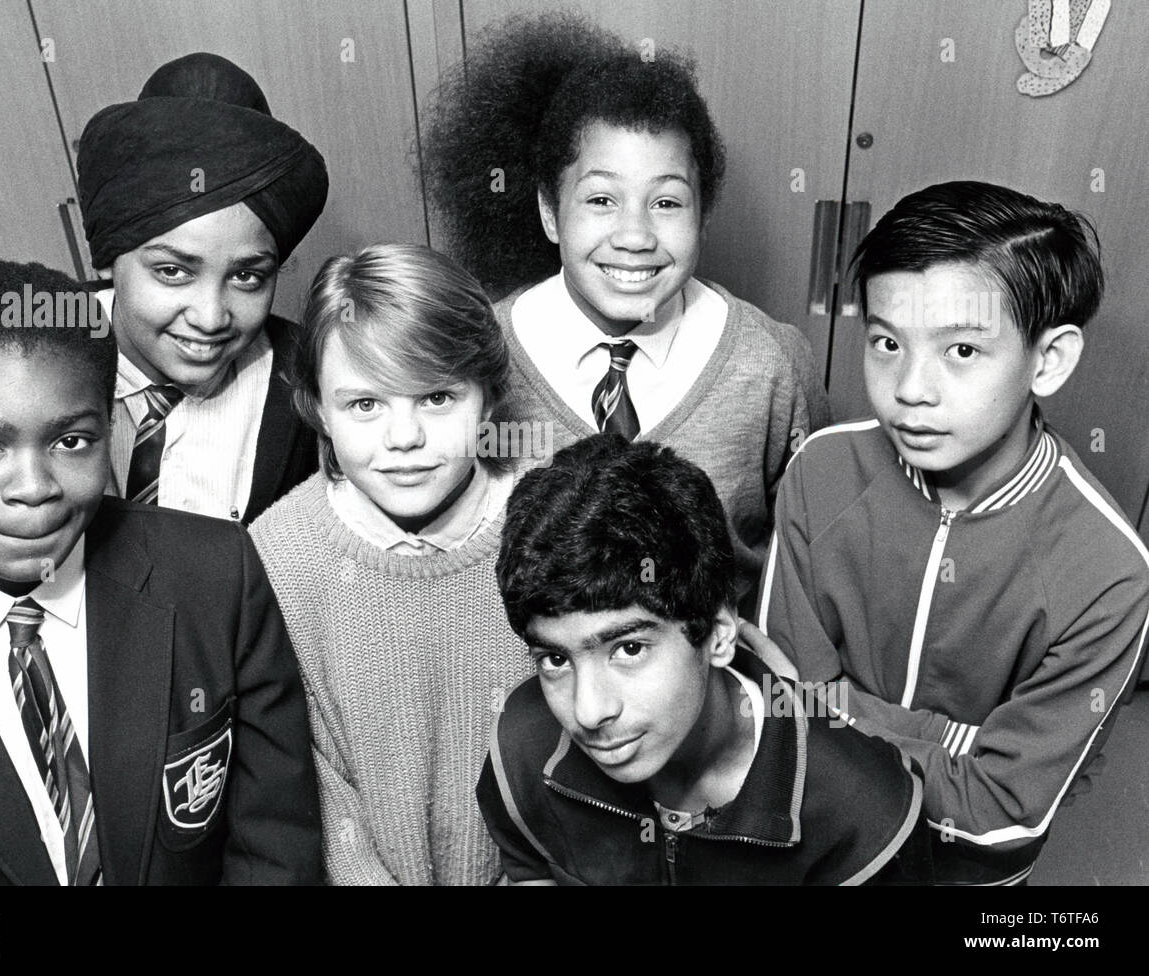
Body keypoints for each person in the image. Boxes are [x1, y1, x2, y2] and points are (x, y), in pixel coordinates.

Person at [0, 260, 320, 884]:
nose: (35, 489)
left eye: (71, 441)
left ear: (111, 430)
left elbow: (276, 845)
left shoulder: (216, 574)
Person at [753, 181, 1149, 885]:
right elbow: (780, 709)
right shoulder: (821, 473)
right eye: (885, 343)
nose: (910, 388)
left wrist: (842, 709)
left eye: (961, 351)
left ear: (1048, 359)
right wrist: (952, 742)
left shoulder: (1110, 575)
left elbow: (999, 817)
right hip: (804, 839)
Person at [420, 12, 829, 608]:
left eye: (666, 201)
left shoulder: (770, 365)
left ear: (703, 214)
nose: (634, 235)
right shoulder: (479, 358)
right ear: (549, 213)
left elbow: (807, 561)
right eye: (602, 199)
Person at [477, 434, 931, 884]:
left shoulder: (867, 819)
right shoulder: (521, 746)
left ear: (717, 633)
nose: (589, 711)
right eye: (556, 660)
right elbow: (529, 868)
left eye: (629, 649)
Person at [249, 243, 531, 885]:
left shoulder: (550, 520)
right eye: (365, 405)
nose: (404, 438)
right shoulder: (279, 555)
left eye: (436, 398)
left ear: (487, 398)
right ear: (317, 407)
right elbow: (312, 776)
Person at [76, 52, 327, 523]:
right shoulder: (31, 351)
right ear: (110, 257)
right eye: (173, 272)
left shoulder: (308, 381)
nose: (211, 318)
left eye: (246, 276)